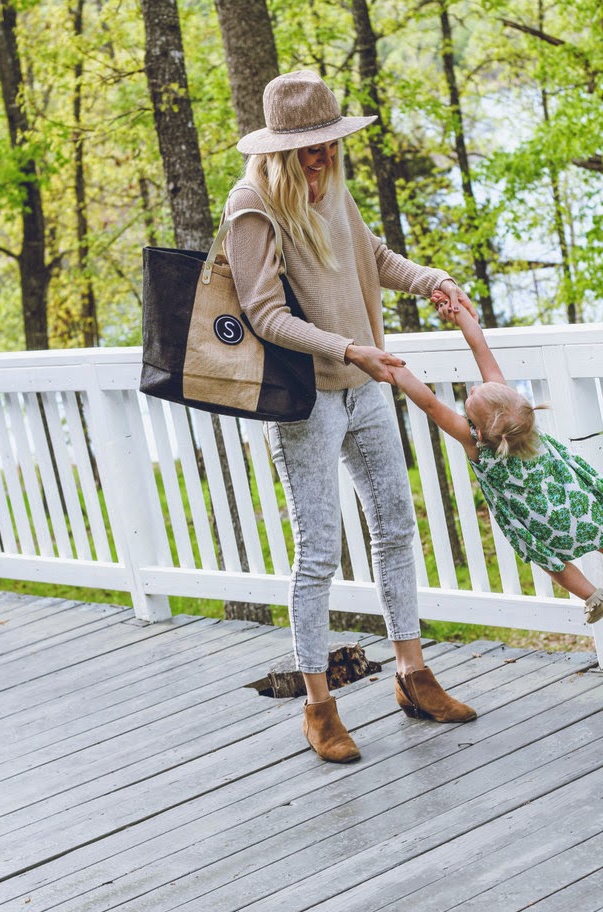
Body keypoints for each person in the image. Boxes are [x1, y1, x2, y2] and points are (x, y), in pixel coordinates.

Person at [223, 69, 477, 765]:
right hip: (306, 399)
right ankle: (318, 706)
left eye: (330, 144)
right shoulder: (252, 207)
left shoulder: (334, 187)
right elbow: (263, 313)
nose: (324, 158)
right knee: (319, 556)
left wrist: (433, 281)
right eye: (310, 149)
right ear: (278, 150)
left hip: (367, 387)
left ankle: (412, 675)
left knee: (396, 527)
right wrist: (347, 349)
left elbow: (372, 258)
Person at [392, 289, 603, 625]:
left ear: (478, 427)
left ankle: (592, 595)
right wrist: (460, 314)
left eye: (472, 397)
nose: (473, 389)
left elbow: (431, 406)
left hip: (543, 526)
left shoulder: (477, 442)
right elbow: (482, 350)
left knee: (553, 564)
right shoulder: (519, 419)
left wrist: (399, 374)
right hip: (576, 505)